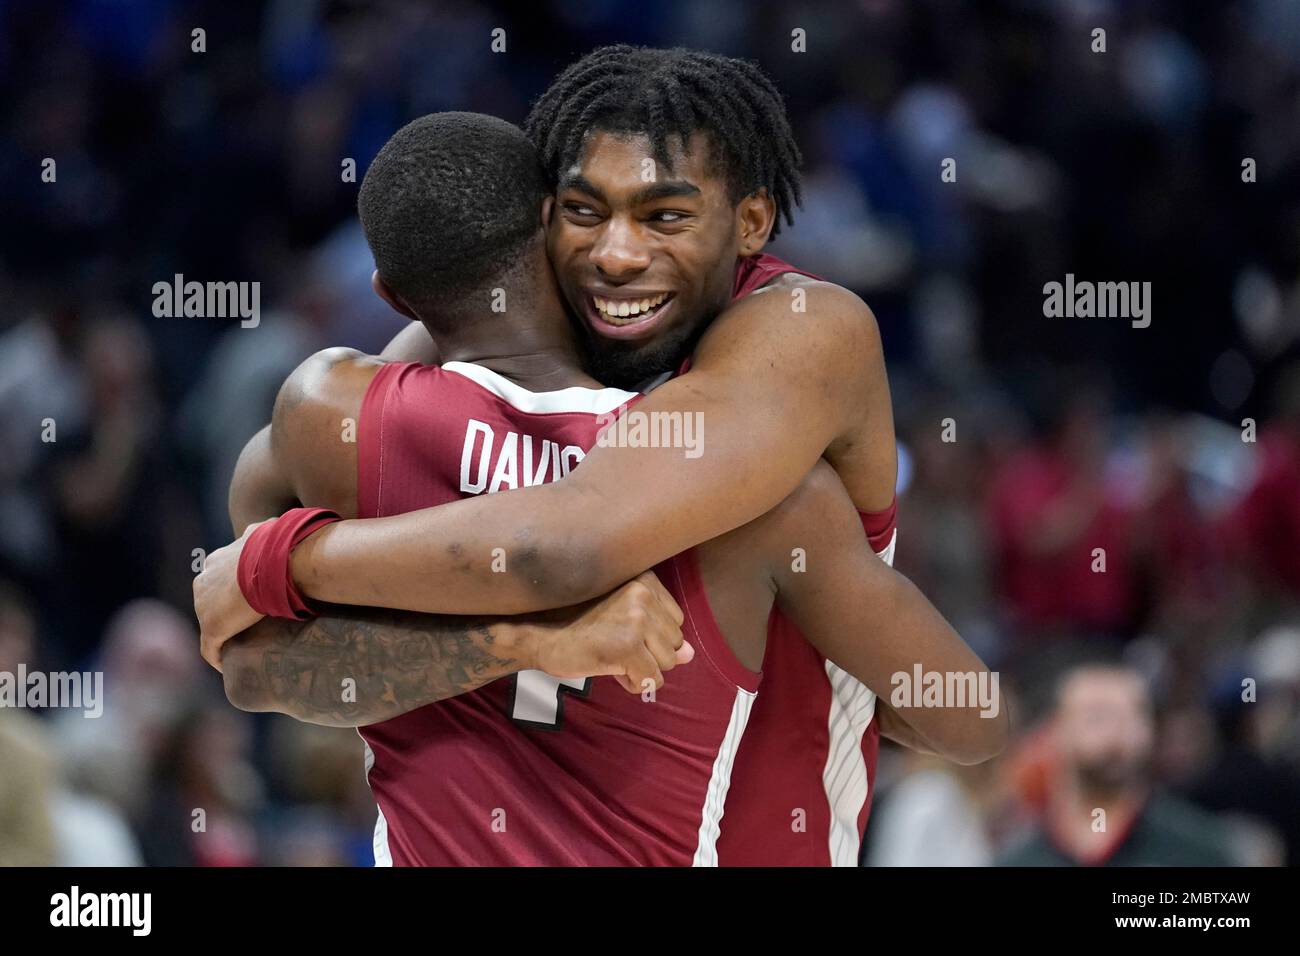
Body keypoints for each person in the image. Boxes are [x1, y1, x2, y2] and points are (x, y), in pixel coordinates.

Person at [196, 46, 941, 865]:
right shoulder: (419, 381)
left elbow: (565, 547)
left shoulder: (801, 330)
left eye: (664, 216)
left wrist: (289, 560)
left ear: (750, 223)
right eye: (588, 211)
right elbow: (256, 671)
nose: (618, 254)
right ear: (545, 220)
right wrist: (521, 642)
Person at [998, 664, 1229, 866]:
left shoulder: (1199, 851)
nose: (1116, 735)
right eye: (1097, 717)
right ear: (1056, 730)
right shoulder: (1018, 859)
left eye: (1132, 717)